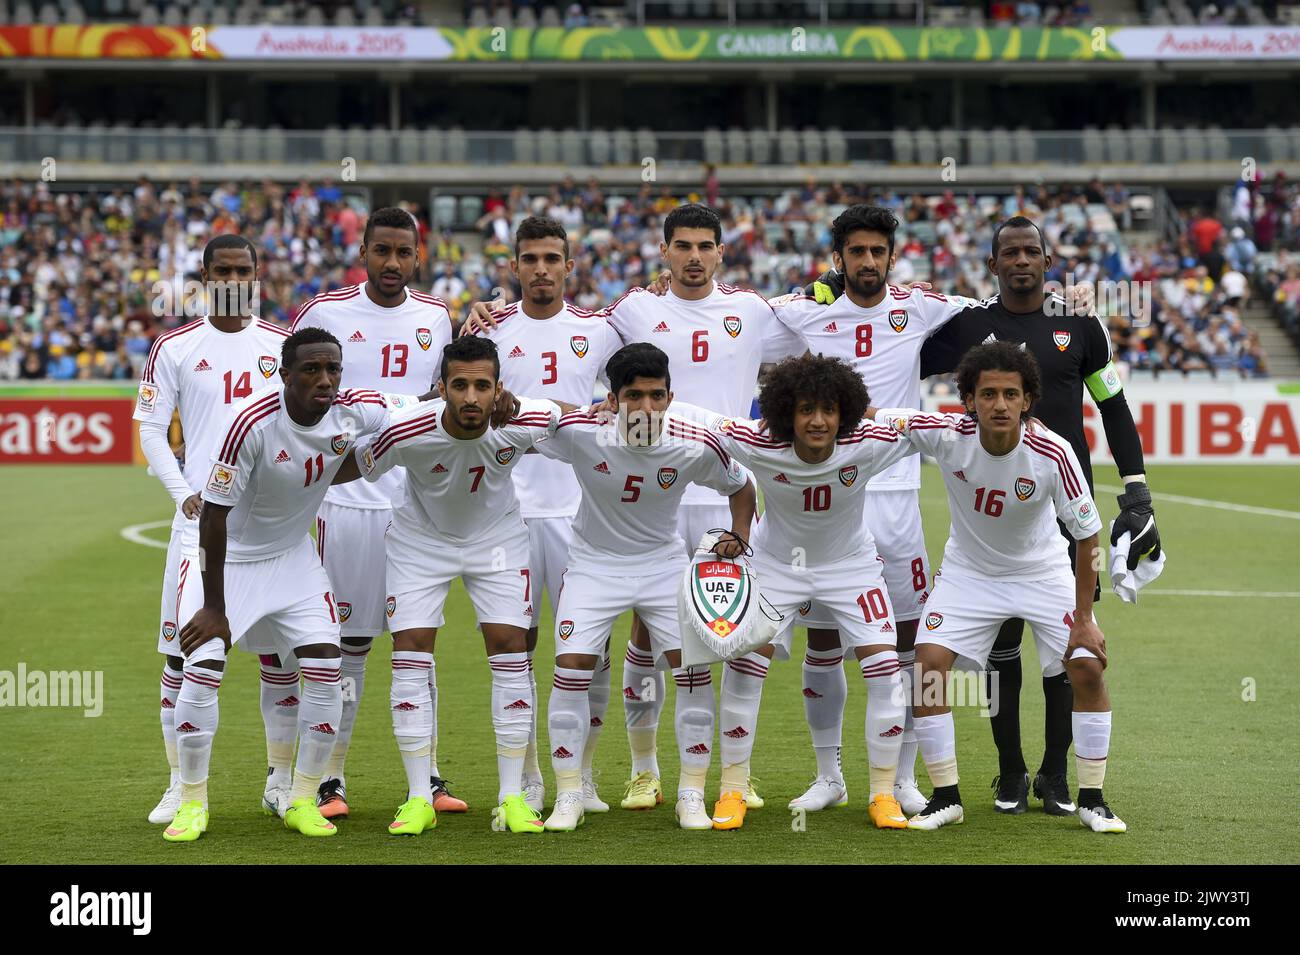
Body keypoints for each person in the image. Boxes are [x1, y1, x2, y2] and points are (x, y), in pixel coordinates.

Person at [463, 203, 804, 814]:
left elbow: (822, 325)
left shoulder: (751, 309)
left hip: (720, 486)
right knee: (630, 644)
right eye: (683, 246)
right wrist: (482, 311)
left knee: (741, 641)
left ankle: (734, 776)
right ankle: (638, 772)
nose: (694, 256)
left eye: (705, 245)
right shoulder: (629, 312)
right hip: (635, 500)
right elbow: (610, 381)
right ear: (664, 251)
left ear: (722, 251)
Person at [165, 328, 414, 842]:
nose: (325, 380)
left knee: (327, 666)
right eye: (311, 370)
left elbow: (422, 407)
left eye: (333, 370)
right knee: (203, 667)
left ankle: (301, 796)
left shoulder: (354, 410)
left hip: (292, 557)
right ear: (285, 375)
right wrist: (215, 607)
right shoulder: (251, 424)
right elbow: (213, 516)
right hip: (226, 558)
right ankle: (191, 801)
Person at [871, 341, 1125, 833]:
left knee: (1087, 667)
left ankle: (1093, 798)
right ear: (968, 399)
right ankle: (946, 796)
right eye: (988, 394)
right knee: (928, 665)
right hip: (970, 572)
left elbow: (1087, 533)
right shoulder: (945, 433)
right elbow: (880, 417)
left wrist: (1086, 618)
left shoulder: (1054, 452)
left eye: (1011, 394)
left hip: (1042, 571)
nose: (1000, 404)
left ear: (1028, 400)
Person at [351, 336, 581, 835]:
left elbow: (566, 414)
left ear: (500, 388)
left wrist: (601, 408)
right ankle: (417, 798)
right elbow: (357, 464)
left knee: (510, 648)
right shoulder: (406, 430)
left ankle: (512, 797)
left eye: (482, 385)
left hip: (496, 540)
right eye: (460, 385)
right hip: (419, 542)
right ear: (441, 389)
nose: (471, 397)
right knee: (410, 652)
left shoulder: (522, 418)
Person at [533, 342, 757, 832]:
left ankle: (691, 795)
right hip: (593, 565)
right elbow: (519, 427)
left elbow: (743, 486)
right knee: (571, 669)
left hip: (662, 565)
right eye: (634, 396)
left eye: (657, 396)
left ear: (671, 397)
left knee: (693, 673)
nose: (647, 408)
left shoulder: (695, 444)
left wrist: (739, 535)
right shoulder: (580, 433)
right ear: (611, 400)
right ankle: (570, 793)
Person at [692, 353, 918, 830]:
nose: (818, 421)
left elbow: (929, 428)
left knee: (884, 671)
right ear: (784, 414)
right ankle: (732, 788)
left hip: (850, 568)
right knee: (745, 666)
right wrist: (622, 413)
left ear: (845, 413)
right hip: (775, 568)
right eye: (806, 410)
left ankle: (882, 794)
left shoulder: (868, 443)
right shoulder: (757, 441)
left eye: (829, 410)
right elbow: (694, 418)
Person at [290, 207, 457, 819]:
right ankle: (331, 778)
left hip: (417, 503)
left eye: (403, 253)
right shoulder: (324, 313)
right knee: (350, 643)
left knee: (418, 644)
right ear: (363, 251)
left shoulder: (437, 316)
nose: (392, 263)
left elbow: (451, 391)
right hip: (349, 500)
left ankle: (431, 776)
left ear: (418, 255)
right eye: (381, 251)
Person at [133, 234, 295, 825]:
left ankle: (280, 780)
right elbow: (151, 428)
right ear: (203, 276)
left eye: (243, 269)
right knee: (185, 656)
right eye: (222, 269)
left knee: (280, 659)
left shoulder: (283, 345)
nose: (233, 278)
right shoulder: (173, 346)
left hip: (272, 526)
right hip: (201, 528)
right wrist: (183, 497)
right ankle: (180, 783)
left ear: (256, 274)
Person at [469, 215, 621, 813]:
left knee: (591, 648)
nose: (540, 270)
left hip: (582, 511)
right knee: (517, 646)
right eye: (528, 259)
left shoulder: (599, 331)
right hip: (506, 513)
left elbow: (621, 403)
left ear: (569, 266)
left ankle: (582, 778)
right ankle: (532, 777)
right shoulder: (489, 330)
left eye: (551, 259)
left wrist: (554, 409)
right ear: (513, 267)